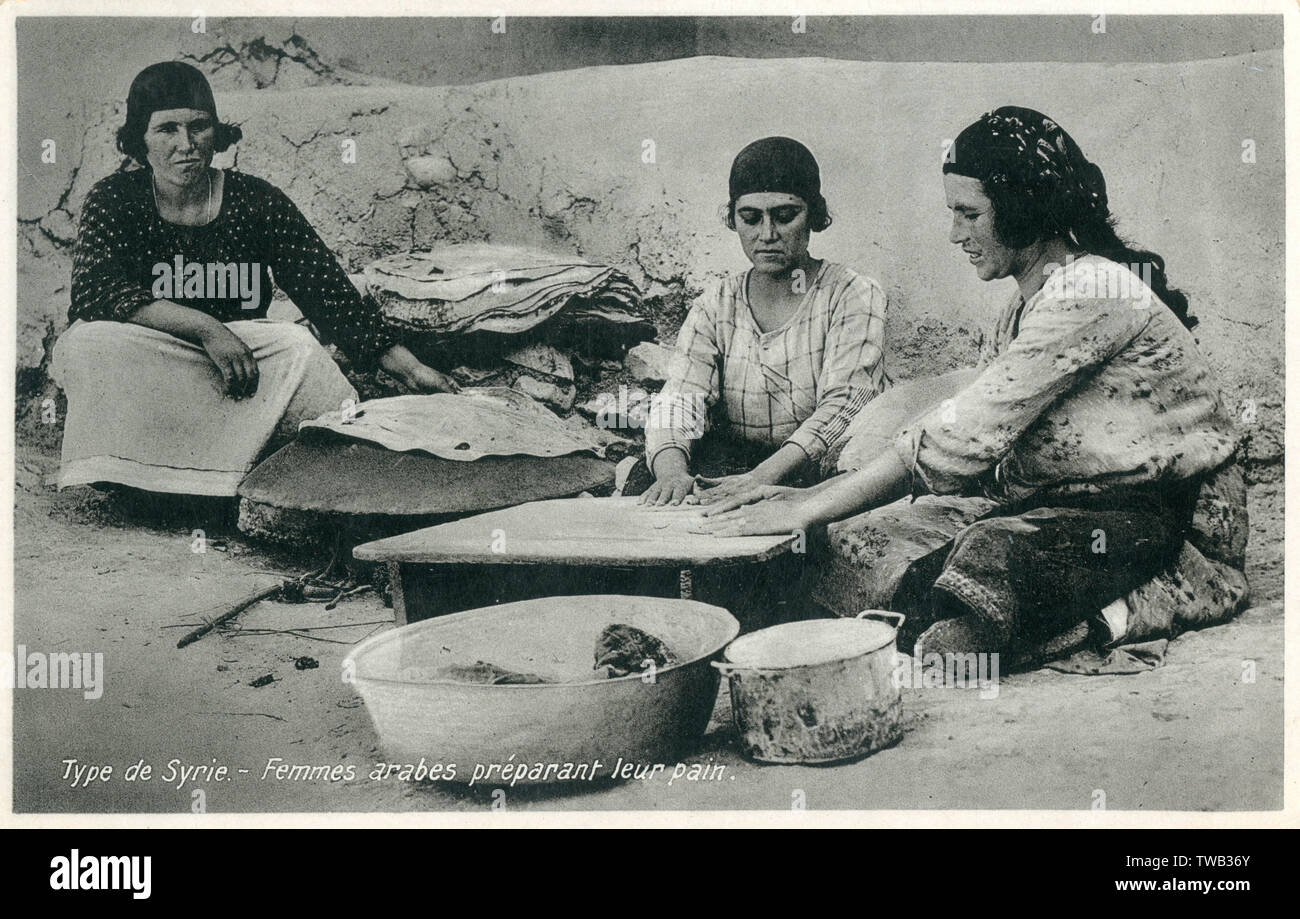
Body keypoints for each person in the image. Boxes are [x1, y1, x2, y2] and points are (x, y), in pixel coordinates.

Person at [702, 107, 1247, 660]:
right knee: (855, 540)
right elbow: (969, 442)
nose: (955, 233)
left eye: (969, 214)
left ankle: (1119, 611)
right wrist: (811, 498)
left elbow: (964, 435)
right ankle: (978, 620)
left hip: (1159, 518)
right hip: (1056, 504)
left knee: (990, 555)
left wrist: (804, 508)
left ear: (1020, 206)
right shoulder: (1023, 304)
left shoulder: (1092, 291)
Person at [51, 61, 458, 497]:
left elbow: (327, 292)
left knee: (298, 347)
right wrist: (206, 328)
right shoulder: (114, 199)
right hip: (157, 352)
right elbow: (96, 290)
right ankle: (139, 474)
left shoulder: (256, 200)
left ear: (216, 132)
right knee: (86, 344)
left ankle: (225, 475)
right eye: (166, 129)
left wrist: (412, 372)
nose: (185, 144)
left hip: (241, 360)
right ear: (140, 140)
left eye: (199, 127)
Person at [638, 136, 887, 505]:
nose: (767, 235)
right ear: (733, 218)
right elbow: (680, 398)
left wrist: (759, 480)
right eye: (750, 218)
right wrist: (672, 473)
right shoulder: (716, 304)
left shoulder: (852, 294)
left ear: (814, 215)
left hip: (813, 468)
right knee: (654, 489)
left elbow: (844, 407)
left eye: (785, 216)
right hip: (736, 462)